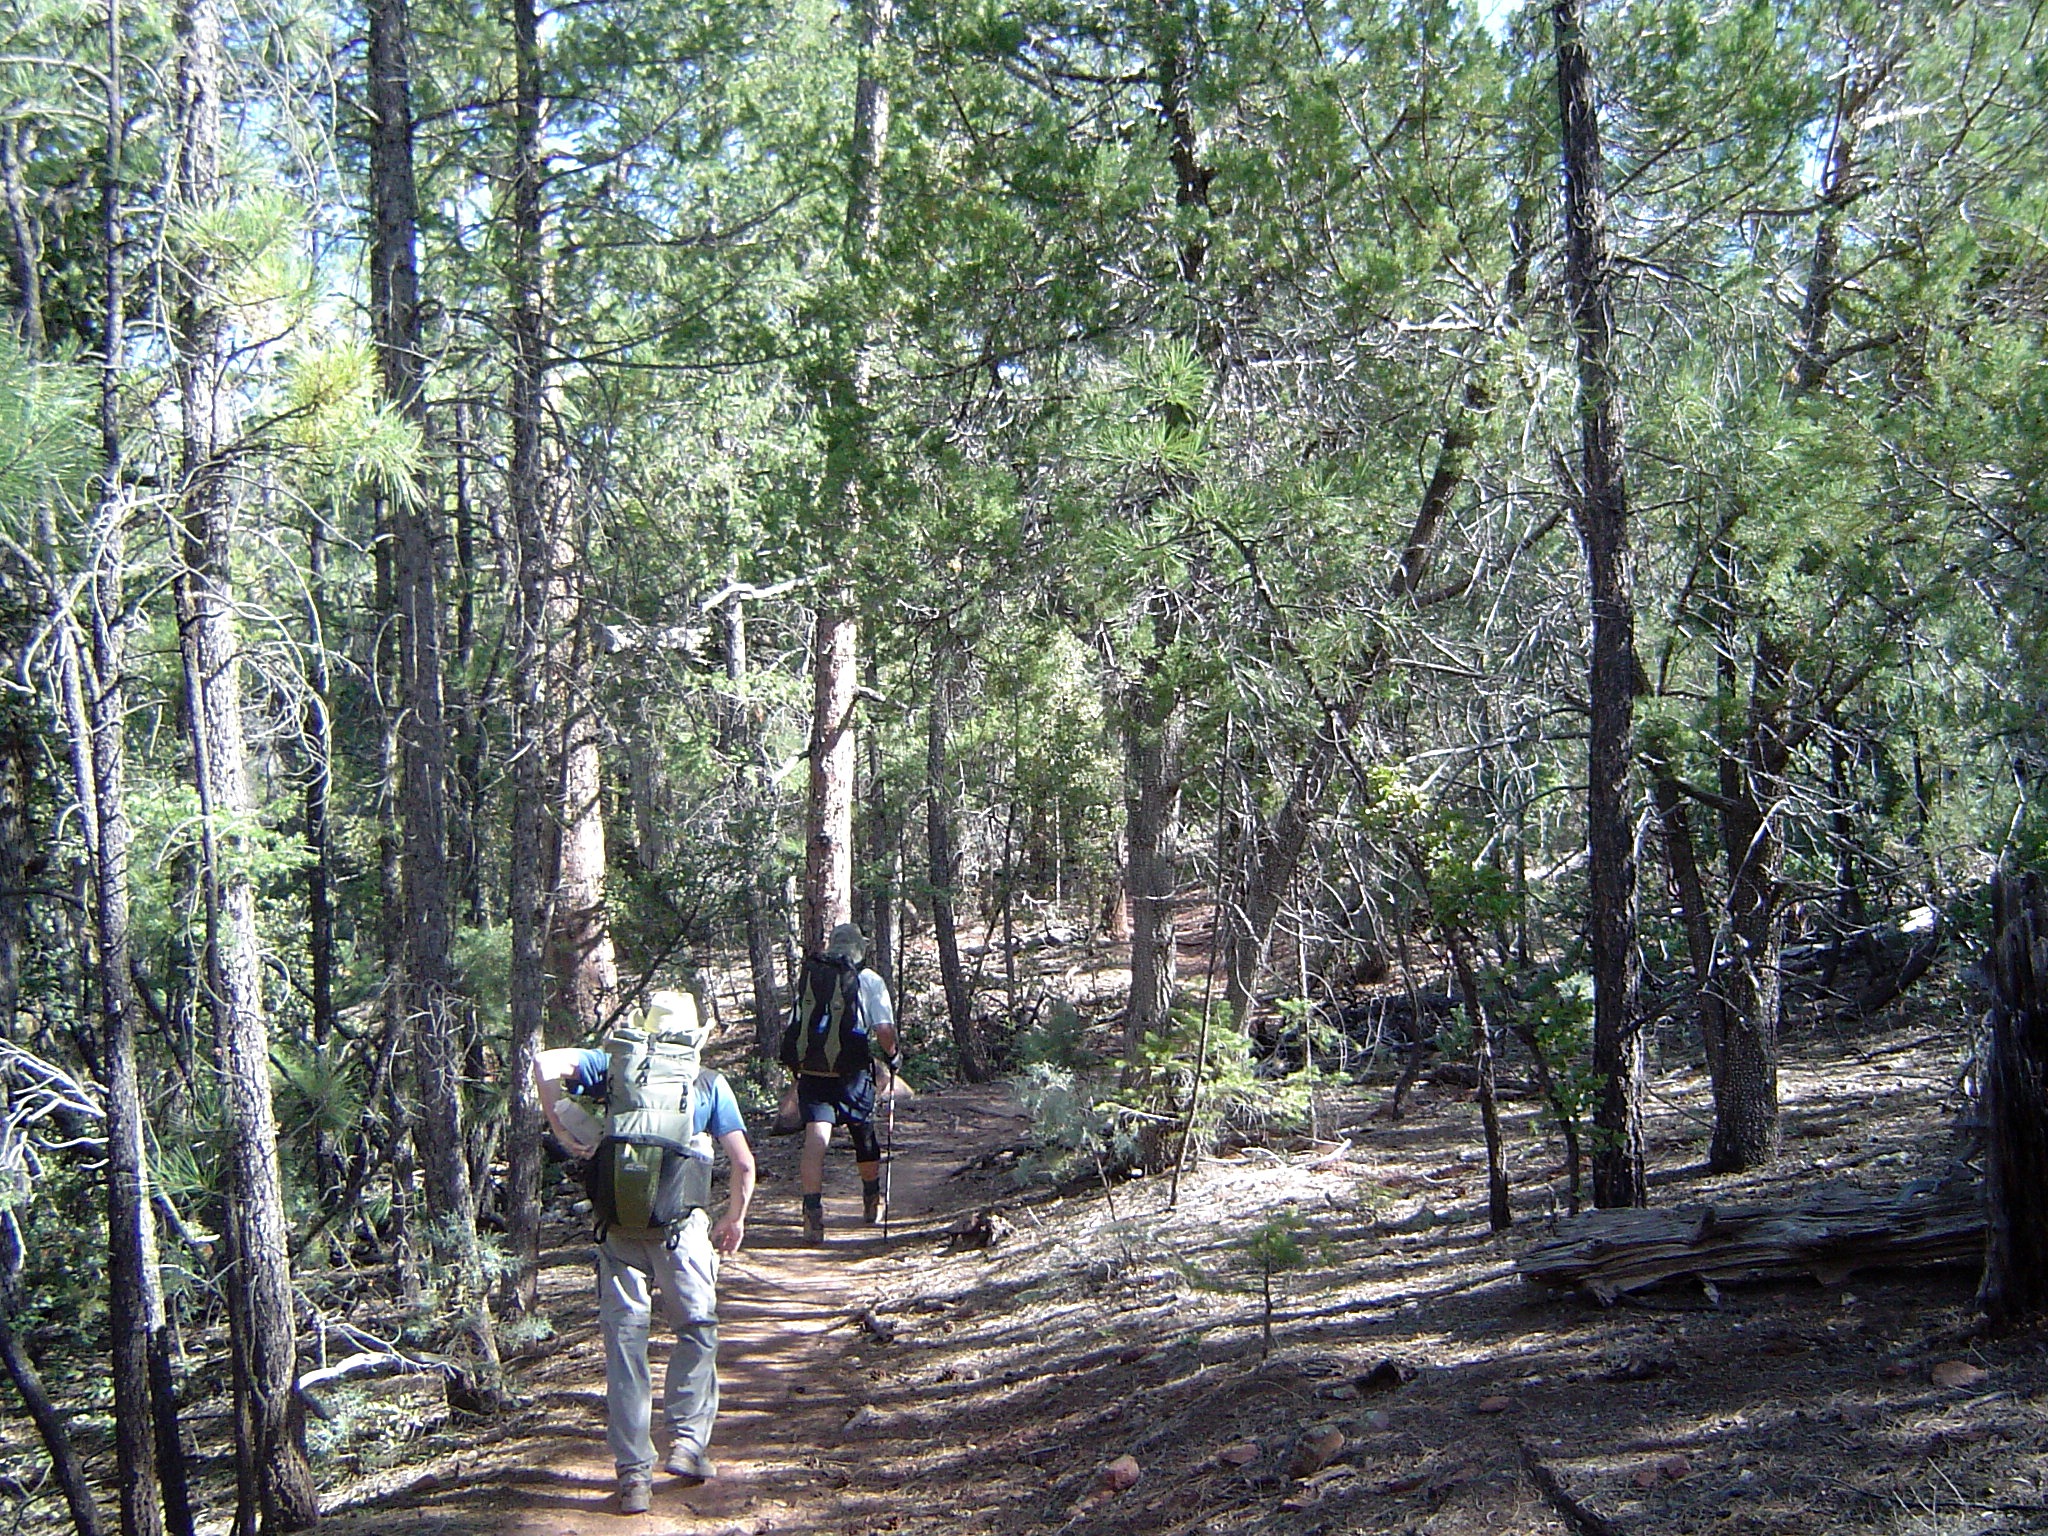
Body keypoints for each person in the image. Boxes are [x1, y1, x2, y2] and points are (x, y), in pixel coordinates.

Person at [534, 990, 755, 1516]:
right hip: (681, 1228)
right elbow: (743, 1165)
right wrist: (734, 1218)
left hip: (618, 1229)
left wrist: (562, 1128)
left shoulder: (615, 1068)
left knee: (625, 1346)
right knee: (696, 1328)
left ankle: (633, 1476)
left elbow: (544, 1063)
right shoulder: (707, 1083)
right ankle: (687, 1444)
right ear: (694, 1036)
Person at [784, 922, 899, 1244]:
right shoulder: (868, 980)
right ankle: (871, 1200)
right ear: (859, 948)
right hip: (852, 1073)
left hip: (814, 1071)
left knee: (815, 1138)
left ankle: (812, 1214)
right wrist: (893, 1055)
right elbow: (884, 1029)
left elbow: (797, 1022)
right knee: (863, 1133)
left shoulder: (814, 977)